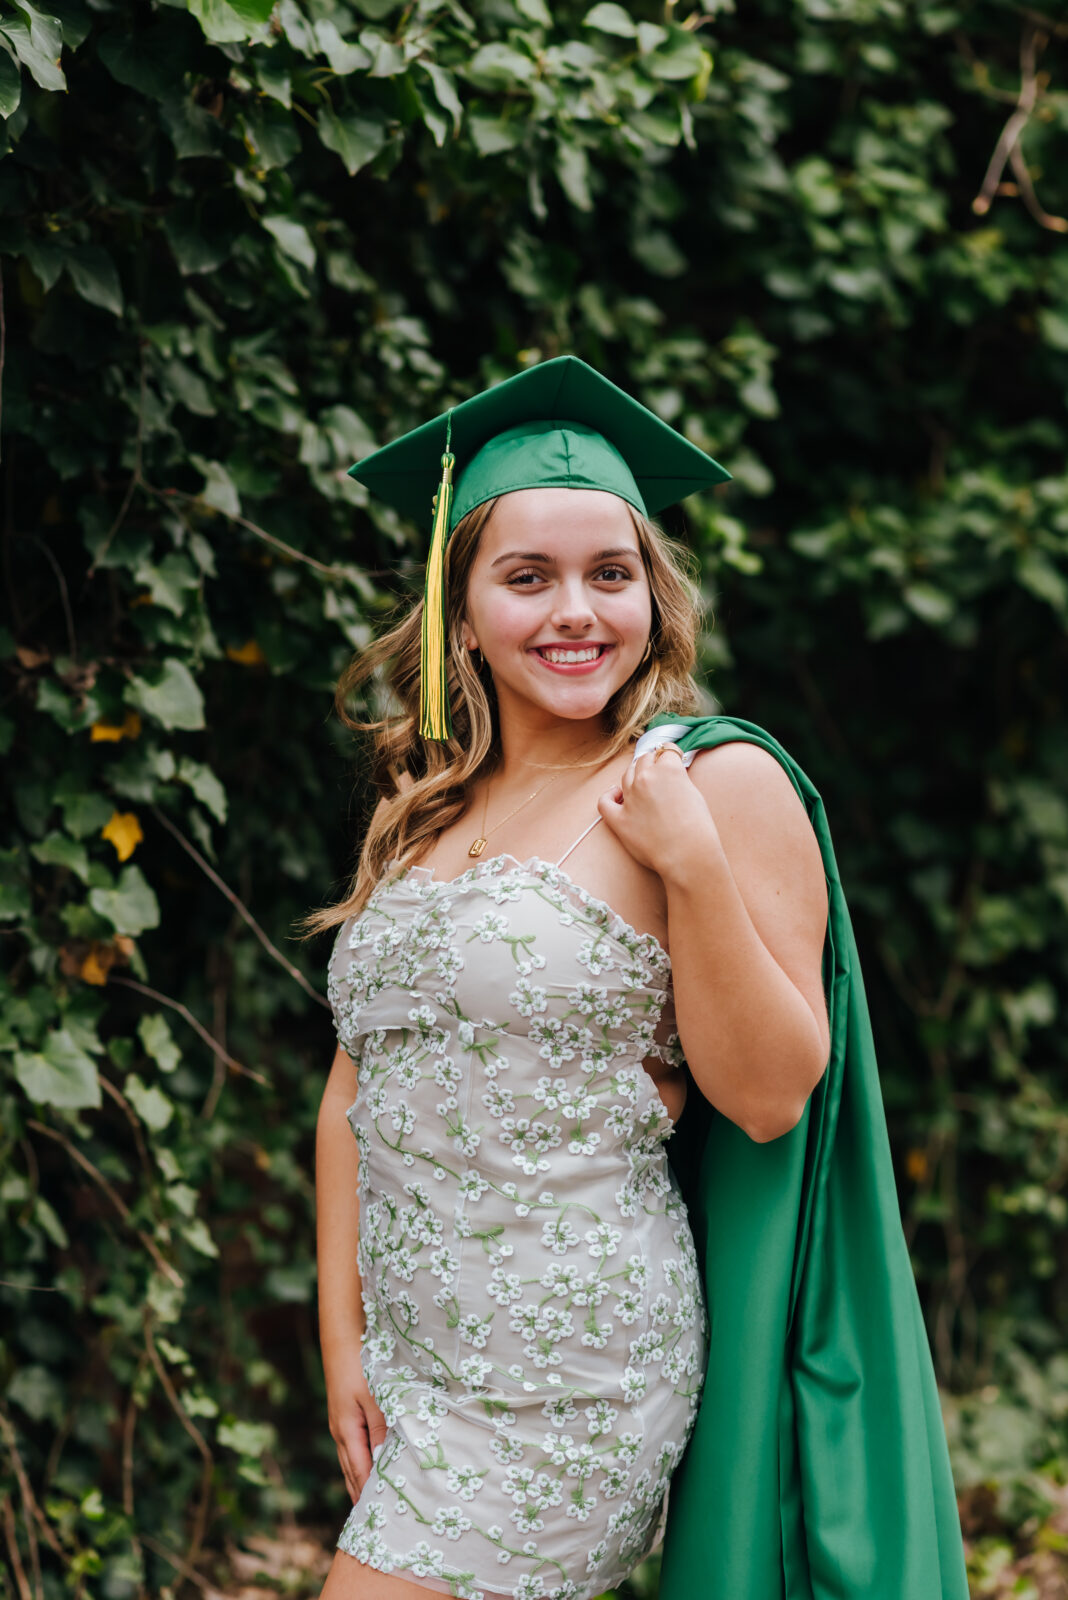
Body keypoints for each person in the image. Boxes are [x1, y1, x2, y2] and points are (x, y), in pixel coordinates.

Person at [304, 356, 833, 1600]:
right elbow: (351, 1087)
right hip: (421, 1364)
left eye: (611, 574)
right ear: (459, 609)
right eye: (527, 577)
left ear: (655, 593)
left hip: (573, 1374)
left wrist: (693, 868)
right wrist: (344, 1338)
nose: (575, 612)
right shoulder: (423, 803)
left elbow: (769, 1095)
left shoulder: (712, 785)